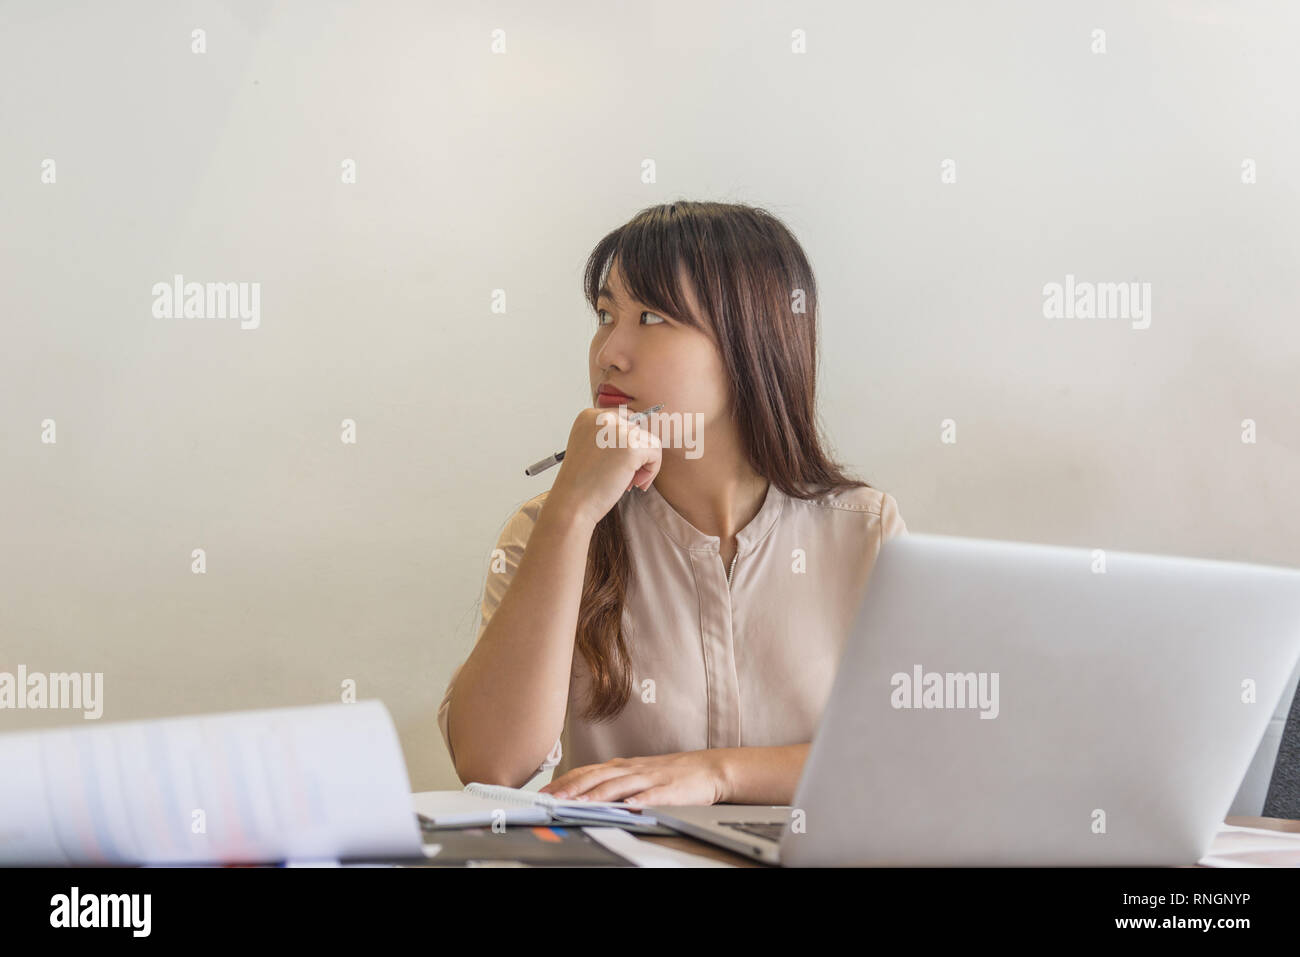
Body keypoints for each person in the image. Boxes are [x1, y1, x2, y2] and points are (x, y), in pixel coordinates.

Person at [438, 200, 906, 806]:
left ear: (750, 341)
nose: (609, 351)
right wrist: (571, 514)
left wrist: (717, 773)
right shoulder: (546, 528)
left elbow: (905, 760)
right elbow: (490, 766)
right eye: (606, 314)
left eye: (651, 317)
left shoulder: (864, 533)